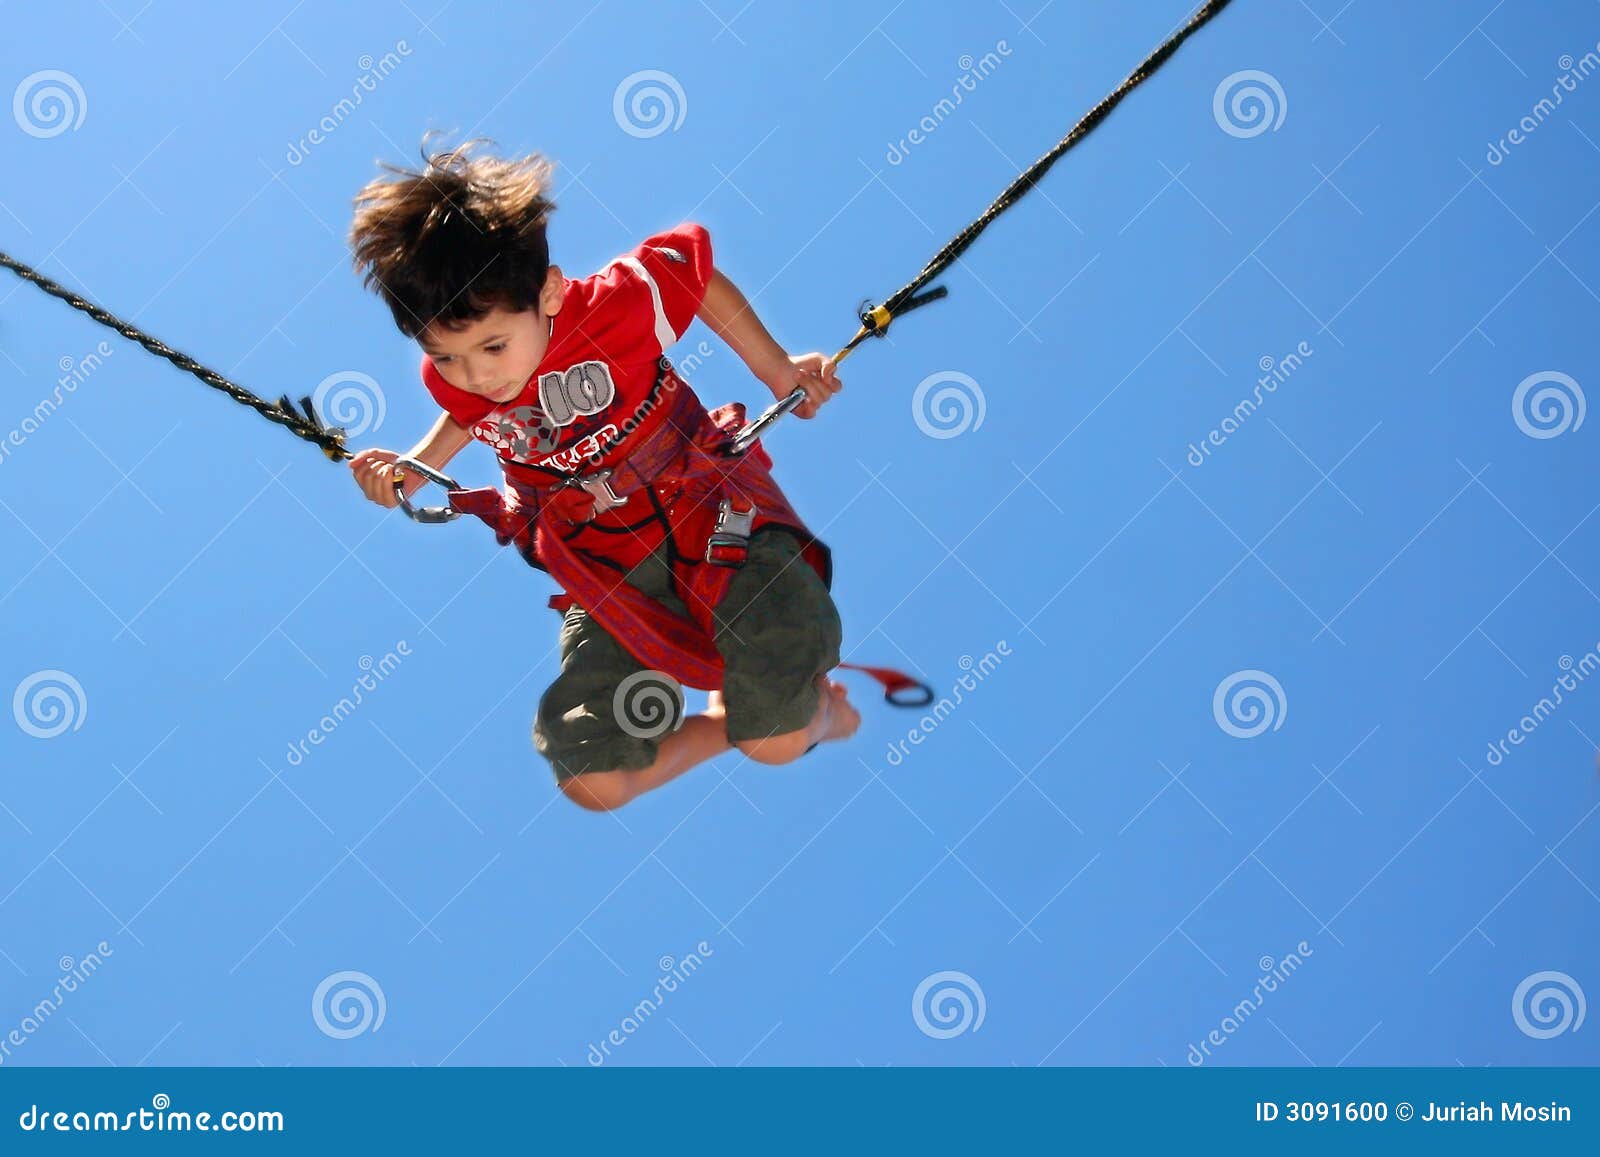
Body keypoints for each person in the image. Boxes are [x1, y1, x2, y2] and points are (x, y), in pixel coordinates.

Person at [344, 137, 859, 812]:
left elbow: (691, 277)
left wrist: (776, 370)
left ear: (549, 294)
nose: (478, 375)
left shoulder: (609, 308)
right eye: (446, 356)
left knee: (780, 739)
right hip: (609, 572)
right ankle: (733, 720)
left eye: (493, 345)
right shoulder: (458, 382)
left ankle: (821, 712)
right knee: (592, 778)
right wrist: (415, 469)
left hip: (714, 524)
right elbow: (468, 413)